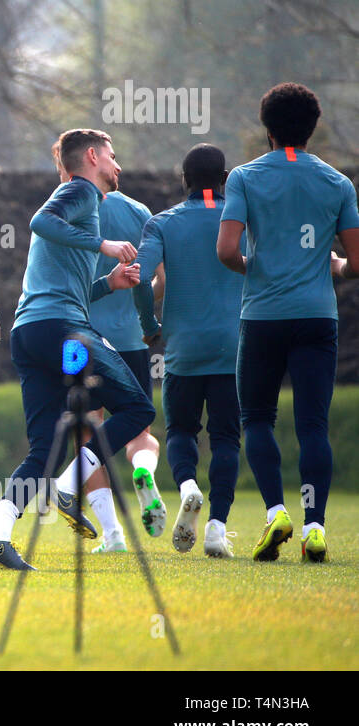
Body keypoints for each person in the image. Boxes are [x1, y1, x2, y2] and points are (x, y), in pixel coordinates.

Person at [0, 129, 154, 571]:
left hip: (33, 335)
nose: (117, 166)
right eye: (112, 157)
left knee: (45, 449)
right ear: (92, 157)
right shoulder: (80, 192)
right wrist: (104, 245)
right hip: (64, 335)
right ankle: (72, 485)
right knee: (137, 408)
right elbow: (38, 221)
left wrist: (109, 282)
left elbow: (64, 290)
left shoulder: (81, 201)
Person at [217, 82, 359, 563]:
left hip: (262, 317)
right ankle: (315, 527)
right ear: (313, 127)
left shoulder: (243, 177)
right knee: (312, 425)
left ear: (267, 127)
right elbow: (354, 263)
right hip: (317, 318)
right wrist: (334, 265)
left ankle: (277, 511)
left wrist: (255, 266)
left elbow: (226, 251)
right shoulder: (339, 184)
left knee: (256, 418)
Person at [48, 145, 164, 553]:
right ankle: (143, 470)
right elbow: (157, 278)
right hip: (131, 337)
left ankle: (113, 533)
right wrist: (146, 321)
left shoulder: (65, 211)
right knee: (139, 430)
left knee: (86, 429)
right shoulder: (139, 212)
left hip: (81, 336)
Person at [134, 144, 243, 558]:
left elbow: (140, 278)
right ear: (225, 179)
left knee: (181, 432)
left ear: (184, 180)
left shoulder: (161, 224)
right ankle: (216, 530)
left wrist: (149, 326)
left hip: (182, 348)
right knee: (227, 438)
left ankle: (188, 487)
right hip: (234, 349)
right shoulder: (242, 221)